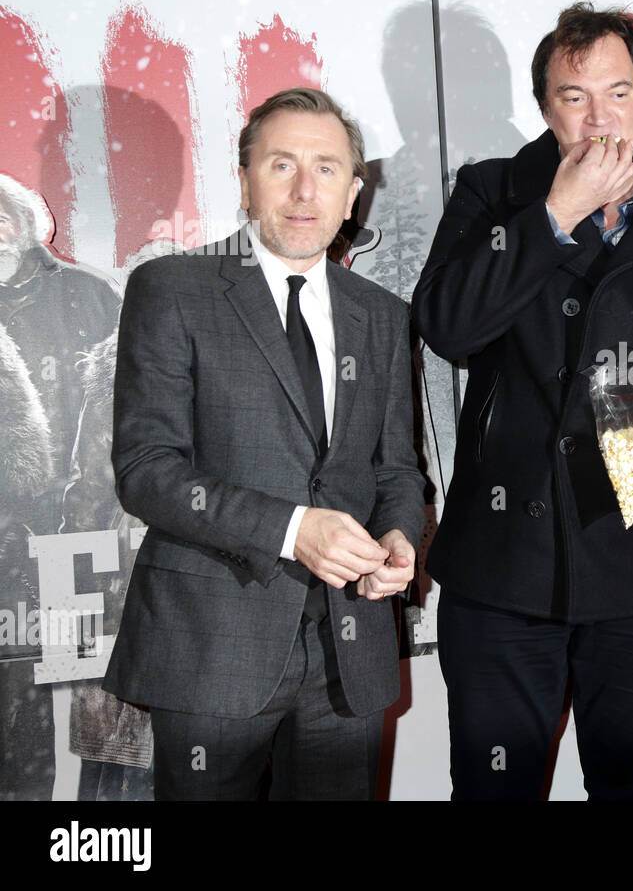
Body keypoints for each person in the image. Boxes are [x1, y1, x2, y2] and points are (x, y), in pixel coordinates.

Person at [414, 2, 633, 801]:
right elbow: (447, 326)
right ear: (545, 106)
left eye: (618, 92)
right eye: (574, 96)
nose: (599, 116)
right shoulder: (490, 194)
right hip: (503, 567)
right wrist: (555, 216)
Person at [104, 87, 426, 800]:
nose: (306, 189)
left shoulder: (382, 316)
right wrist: (292, 530)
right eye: (282, 165)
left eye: (328, 168)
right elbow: (147, 470)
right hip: (210, 650)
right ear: (245, 181)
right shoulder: (173, 289)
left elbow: (398, 468)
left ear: (353, 193)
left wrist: (399, 539)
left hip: (351, 651)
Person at [0, 173, 119, 800]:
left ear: (25, 226)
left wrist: (86, 526)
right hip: (6, 544)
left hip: (72, 541)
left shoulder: (86, 296)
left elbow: (116, 422)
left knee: (90, 709)